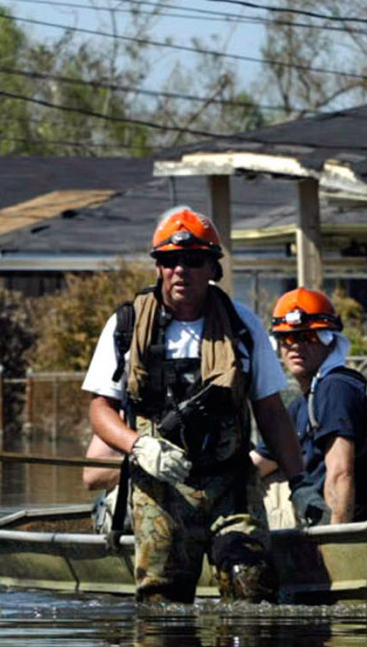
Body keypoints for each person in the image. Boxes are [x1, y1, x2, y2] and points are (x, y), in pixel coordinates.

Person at [82, 206, 305, 601]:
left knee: (249, 582)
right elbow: (100, 409)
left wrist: (300, 484)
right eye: (169, 260)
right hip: (160, 489)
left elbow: (270, 409)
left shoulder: (243, 326)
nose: (180, 270)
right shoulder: (126, 325)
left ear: (213, 268)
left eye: (193, 260)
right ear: (158, 267)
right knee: (162, 605)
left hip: (231, 483)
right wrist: (139, 445)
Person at [268, 287, 367, 527]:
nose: (296, 346)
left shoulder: (335, 389)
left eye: (309, 337)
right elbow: (260, 462)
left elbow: (340, 472)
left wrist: (337, 547)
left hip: (339, 522)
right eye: (288, 338)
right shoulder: (301, 404)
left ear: (329, 341)